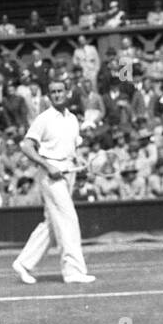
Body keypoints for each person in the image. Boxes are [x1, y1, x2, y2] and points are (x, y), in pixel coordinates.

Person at [11, 79, 96, 285]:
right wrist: (48, 166)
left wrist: (80, 160)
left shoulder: (73, 119)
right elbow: (27, 146)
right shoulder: (43, 119)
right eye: (53, 92)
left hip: (68, 173)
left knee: (52, 223)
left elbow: (73, 149)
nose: (57, 95)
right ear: (49, 96)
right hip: (50, 174)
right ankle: (73, 271)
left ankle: (23, 263)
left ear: (67, 93)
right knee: (68, 219)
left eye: (60, 91)